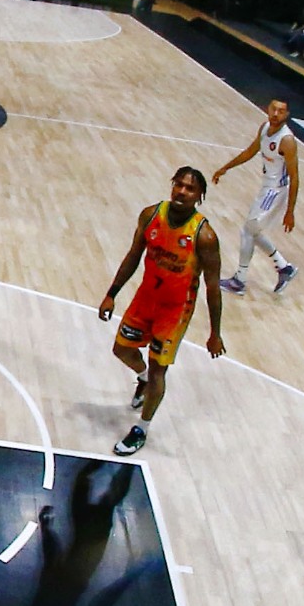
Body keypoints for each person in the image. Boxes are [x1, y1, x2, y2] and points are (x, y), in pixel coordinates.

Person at [98, 167, 225, 456]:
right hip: (146, 298)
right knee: (121, 350)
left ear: (199, 196)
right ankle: (141, 379)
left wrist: (215, 333)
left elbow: (213, 287)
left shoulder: (204, 236)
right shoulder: (150, 215)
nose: (182, 191)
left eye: (190, 188)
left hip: (175, 311)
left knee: (159, 369)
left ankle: (141, 429)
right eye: (178, 185)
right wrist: (111, 294)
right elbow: (133, 256)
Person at [212, 99, 301, 294]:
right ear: (267, 110)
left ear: (286, 115)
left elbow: (295, 178)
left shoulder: (287, 140)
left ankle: (239, 280)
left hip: (276, 190)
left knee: (248, 230)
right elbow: (250, 152)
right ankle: (284, 267)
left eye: (281, 111)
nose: (276, 113)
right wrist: (225, 168)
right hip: (266, 186)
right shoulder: (265, 127)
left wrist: (290, 212)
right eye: (273, 109)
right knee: (252, 230)